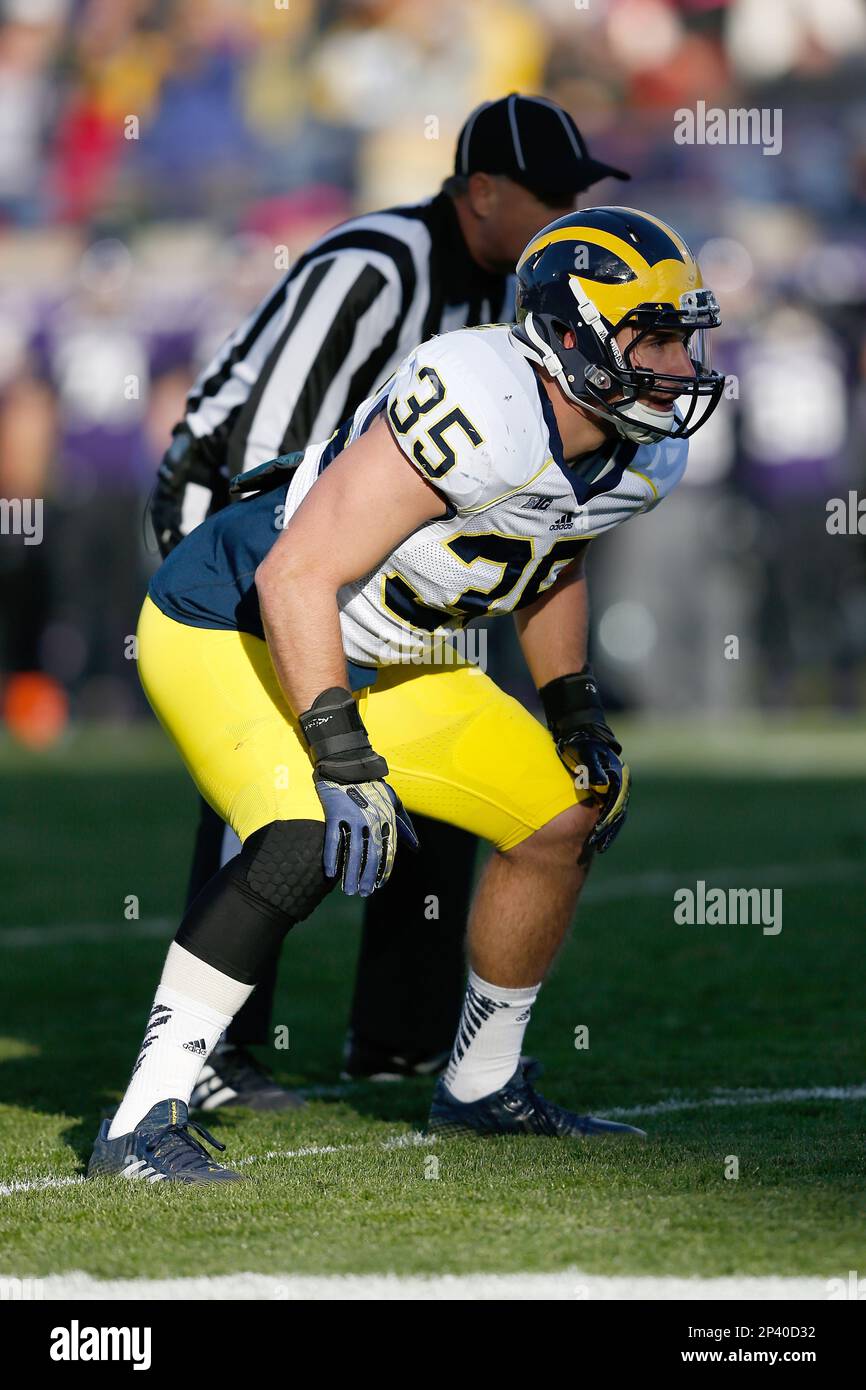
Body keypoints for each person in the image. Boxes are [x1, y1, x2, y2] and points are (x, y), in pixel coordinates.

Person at [89, 205, 724, 1182]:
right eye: (656, 336)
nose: (680, 366)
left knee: (563, 814)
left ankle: (479, 1085)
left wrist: (571, 704)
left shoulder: (641, 450)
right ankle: (140, 1120)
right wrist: (340, 752)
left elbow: (554, 552)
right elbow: (295, 576)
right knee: (302, 827)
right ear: (571, 335)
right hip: (237, 621)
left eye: (684, 338)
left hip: (396, 648)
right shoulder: (474, 397)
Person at [149, 94, 631, 1107]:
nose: (566, 216)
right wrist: (306, 617)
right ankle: (210, 1053)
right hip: (253, 541)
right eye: (550, 195)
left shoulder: (524, 293)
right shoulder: (373, 270)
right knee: (274, 800)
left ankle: (400, 1041)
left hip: (393, 560)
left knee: (451, 784)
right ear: (481, 191)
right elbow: (273, 469)